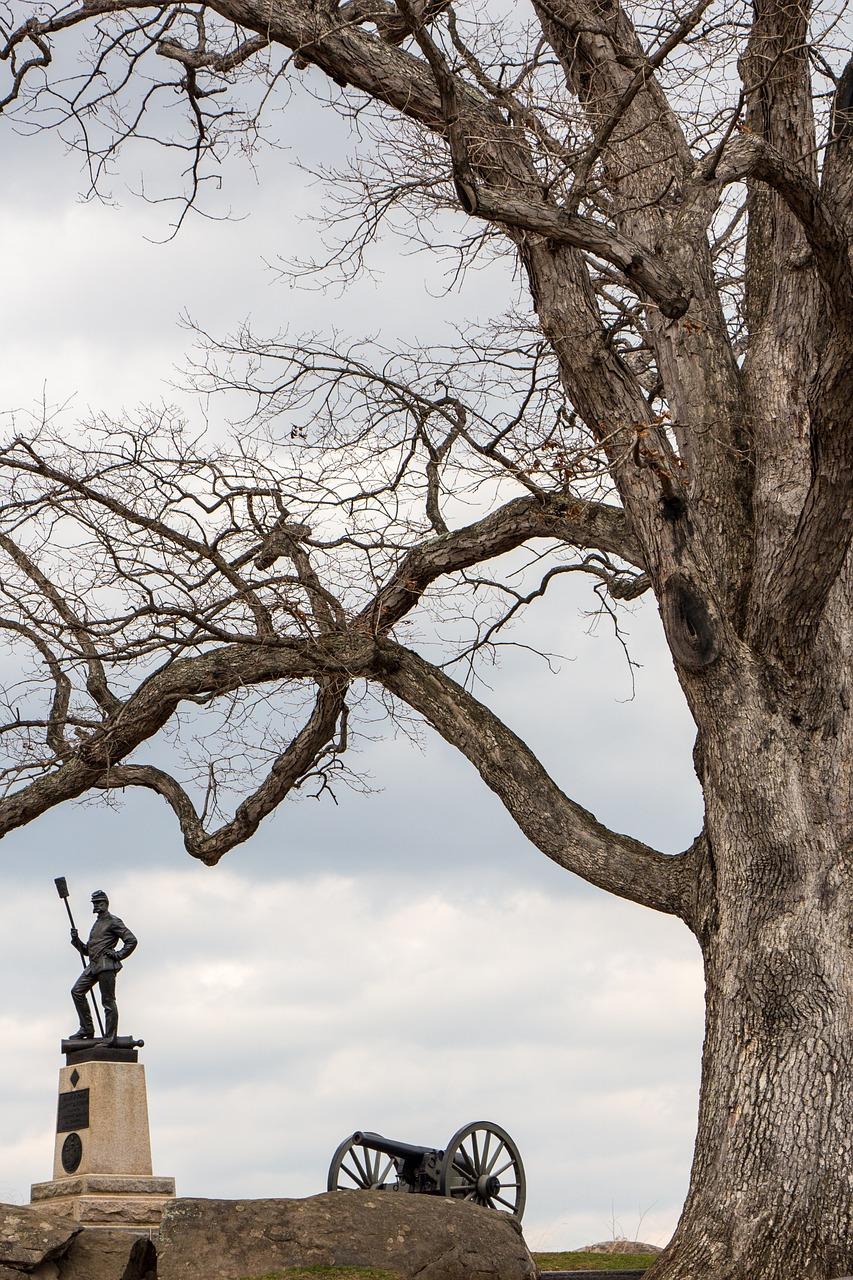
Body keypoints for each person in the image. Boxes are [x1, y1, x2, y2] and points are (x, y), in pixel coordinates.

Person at [69, 890, 137, 1043]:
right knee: (76, 992)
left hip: (106, 966)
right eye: (94, 903)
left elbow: (131, 940)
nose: (97, 905)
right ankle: (87, 1029)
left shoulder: (113, 921)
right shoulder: (97, 923)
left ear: (106, 903)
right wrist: (76, 941)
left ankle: (110, 1036)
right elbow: (87, 951)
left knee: (108, 1001)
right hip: (93, 965)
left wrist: (118, 955)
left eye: (99, 902)